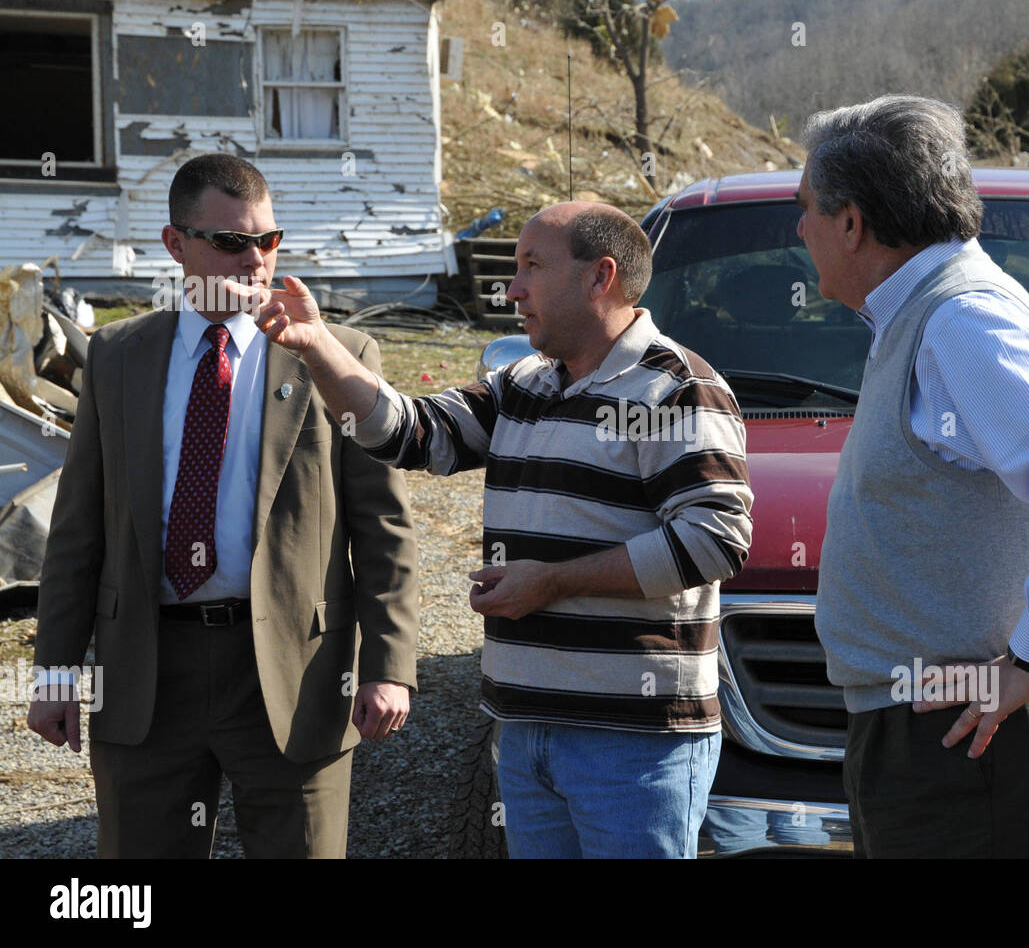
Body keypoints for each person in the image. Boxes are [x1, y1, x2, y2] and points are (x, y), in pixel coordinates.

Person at [239, 201, 754, 858]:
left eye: (532, 266)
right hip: (524, 730)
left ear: (600, 277)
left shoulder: (677, 387)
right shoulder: (523, 385)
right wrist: (314, 343)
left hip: (635, 744)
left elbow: (715, 539)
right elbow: (407, 431)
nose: (511, 289)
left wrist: (553, 584)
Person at [27, 152, 420, 858]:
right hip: (148, 673)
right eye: (231, 242)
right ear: (176, 244)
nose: (255, 261)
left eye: (267, 240)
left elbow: (384, 526)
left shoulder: (335, 354)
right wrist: (55, 669)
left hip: (291, 672)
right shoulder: (117, 356)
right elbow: (78, 529)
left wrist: (389, 663)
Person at [799, 97, 1029, 858]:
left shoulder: (959, 320)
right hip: (938, 736)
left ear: (853, 222)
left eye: (807, 209)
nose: (800, 230)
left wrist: (1028, 663)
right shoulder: (927, 311)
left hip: (962, 742)